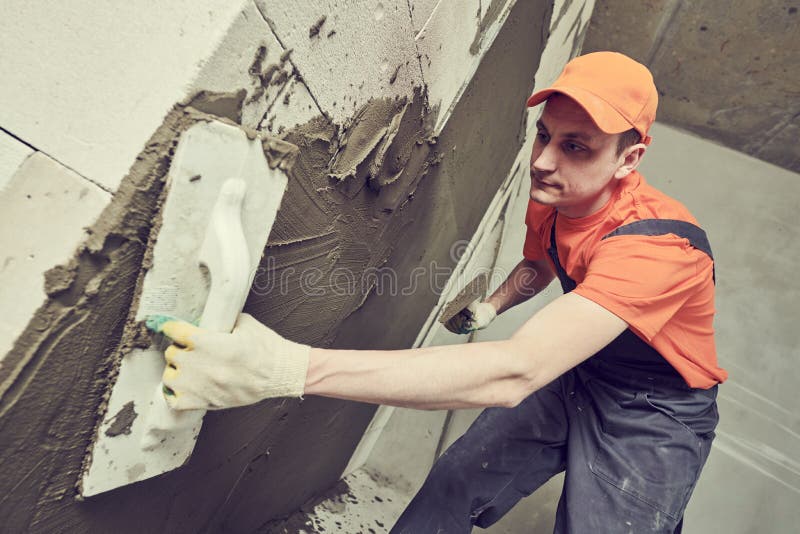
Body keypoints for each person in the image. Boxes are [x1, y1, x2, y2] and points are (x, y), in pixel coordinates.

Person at [148, 52, 726, 533]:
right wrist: (491, 305)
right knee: (459, 478)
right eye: (544, 136)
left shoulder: (661, 249)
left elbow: (514, 372)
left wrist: (283, 370)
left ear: (630, 158)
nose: (544, 162)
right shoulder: (557, 196)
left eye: (577, 147)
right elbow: (541, 266)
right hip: (581, 372)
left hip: (657, 411)